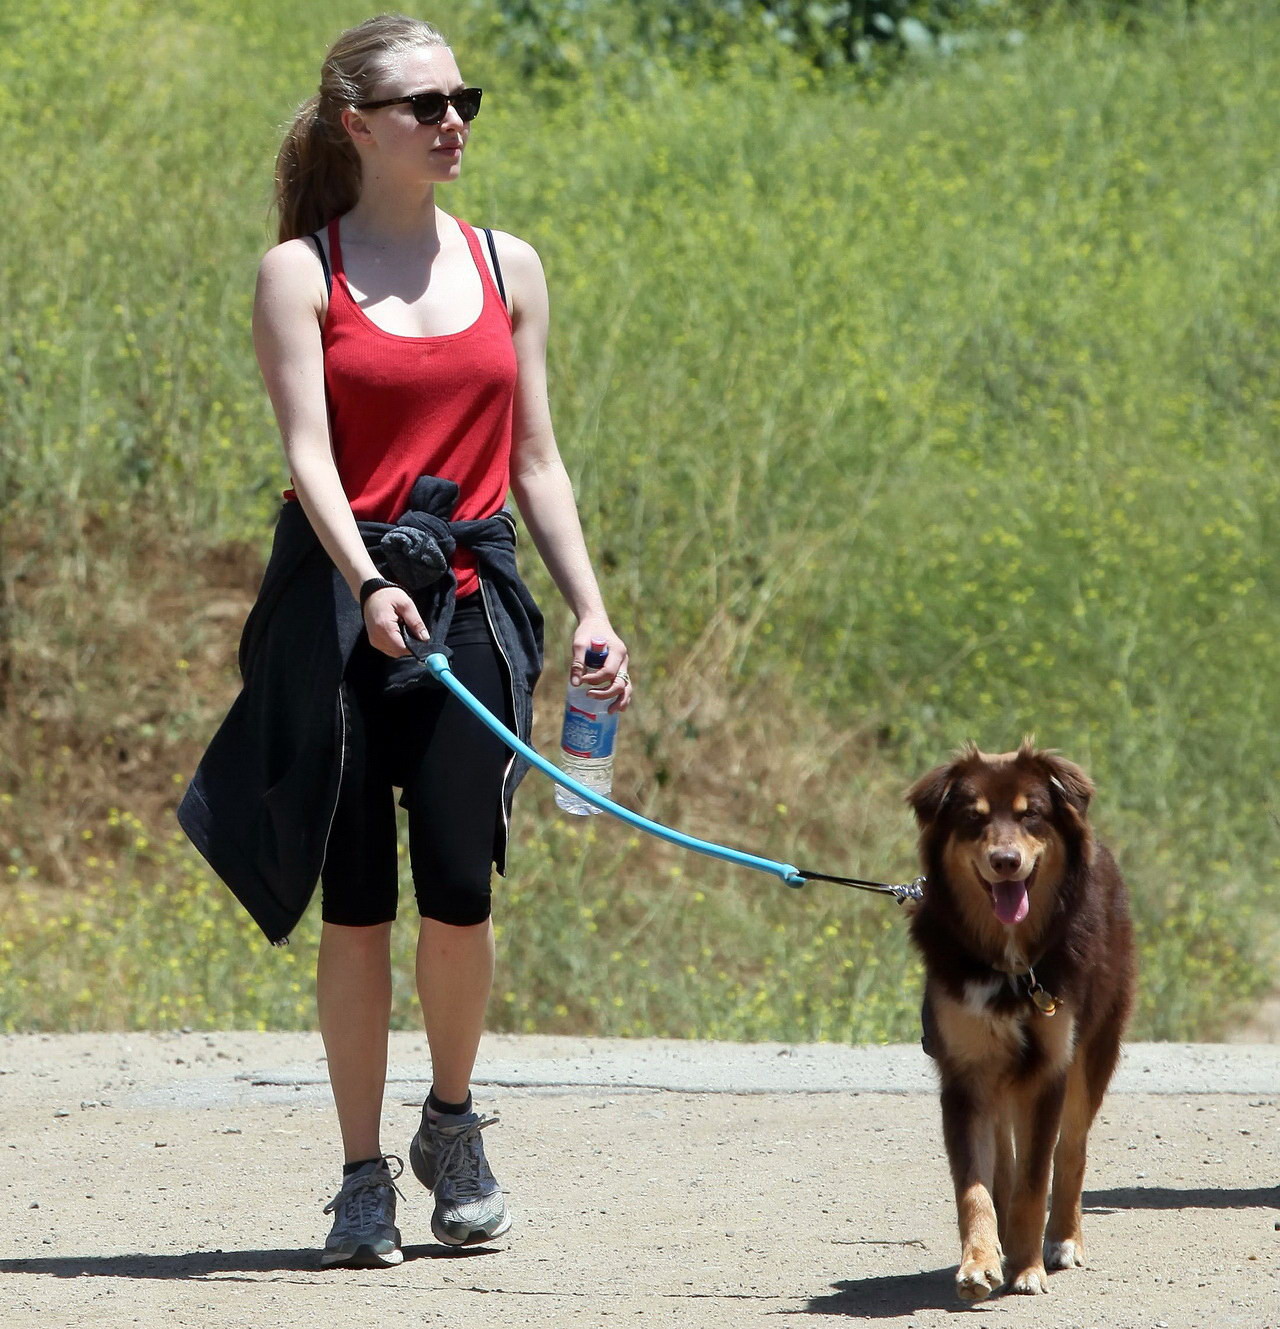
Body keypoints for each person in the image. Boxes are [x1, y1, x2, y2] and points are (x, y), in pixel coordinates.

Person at [178, 12, 631, 1268]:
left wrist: (589, 607)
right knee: (357, 906)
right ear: (355, 126)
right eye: (424, 105)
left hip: (473, 598)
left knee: (461, 893)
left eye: (462, 100)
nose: (453, 122)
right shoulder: (299, 274)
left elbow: (535, 458)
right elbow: (308, 459)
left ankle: (452, 1125)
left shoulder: (508, 264)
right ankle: (359, 1174)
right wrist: (369, 576)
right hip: (339, 605)